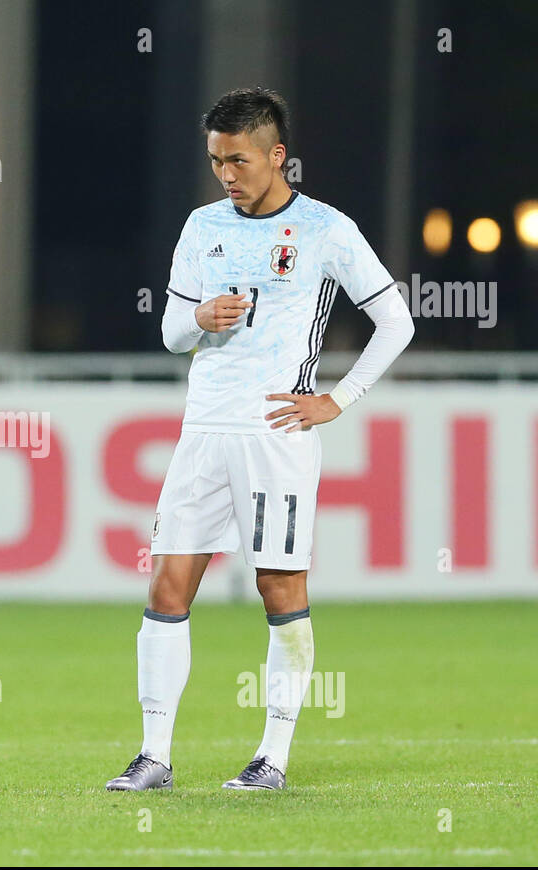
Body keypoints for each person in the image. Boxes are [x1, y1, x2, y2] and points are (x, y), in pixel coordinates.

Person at [106, 88, 414, 793]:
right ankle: (154, 754)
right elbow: (170, 333)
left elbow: (396, 320)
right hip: (204, 429)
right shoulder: (201, 226)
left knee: (279, 585)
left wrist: (338, 399)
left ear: (278, 155)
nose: (226, 174)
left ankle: (271, 757)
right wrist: (200, 320)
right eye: (216, 160)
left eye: (238, 160)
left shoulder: (326, 230)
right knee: (167, 582)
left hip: (276, 434)